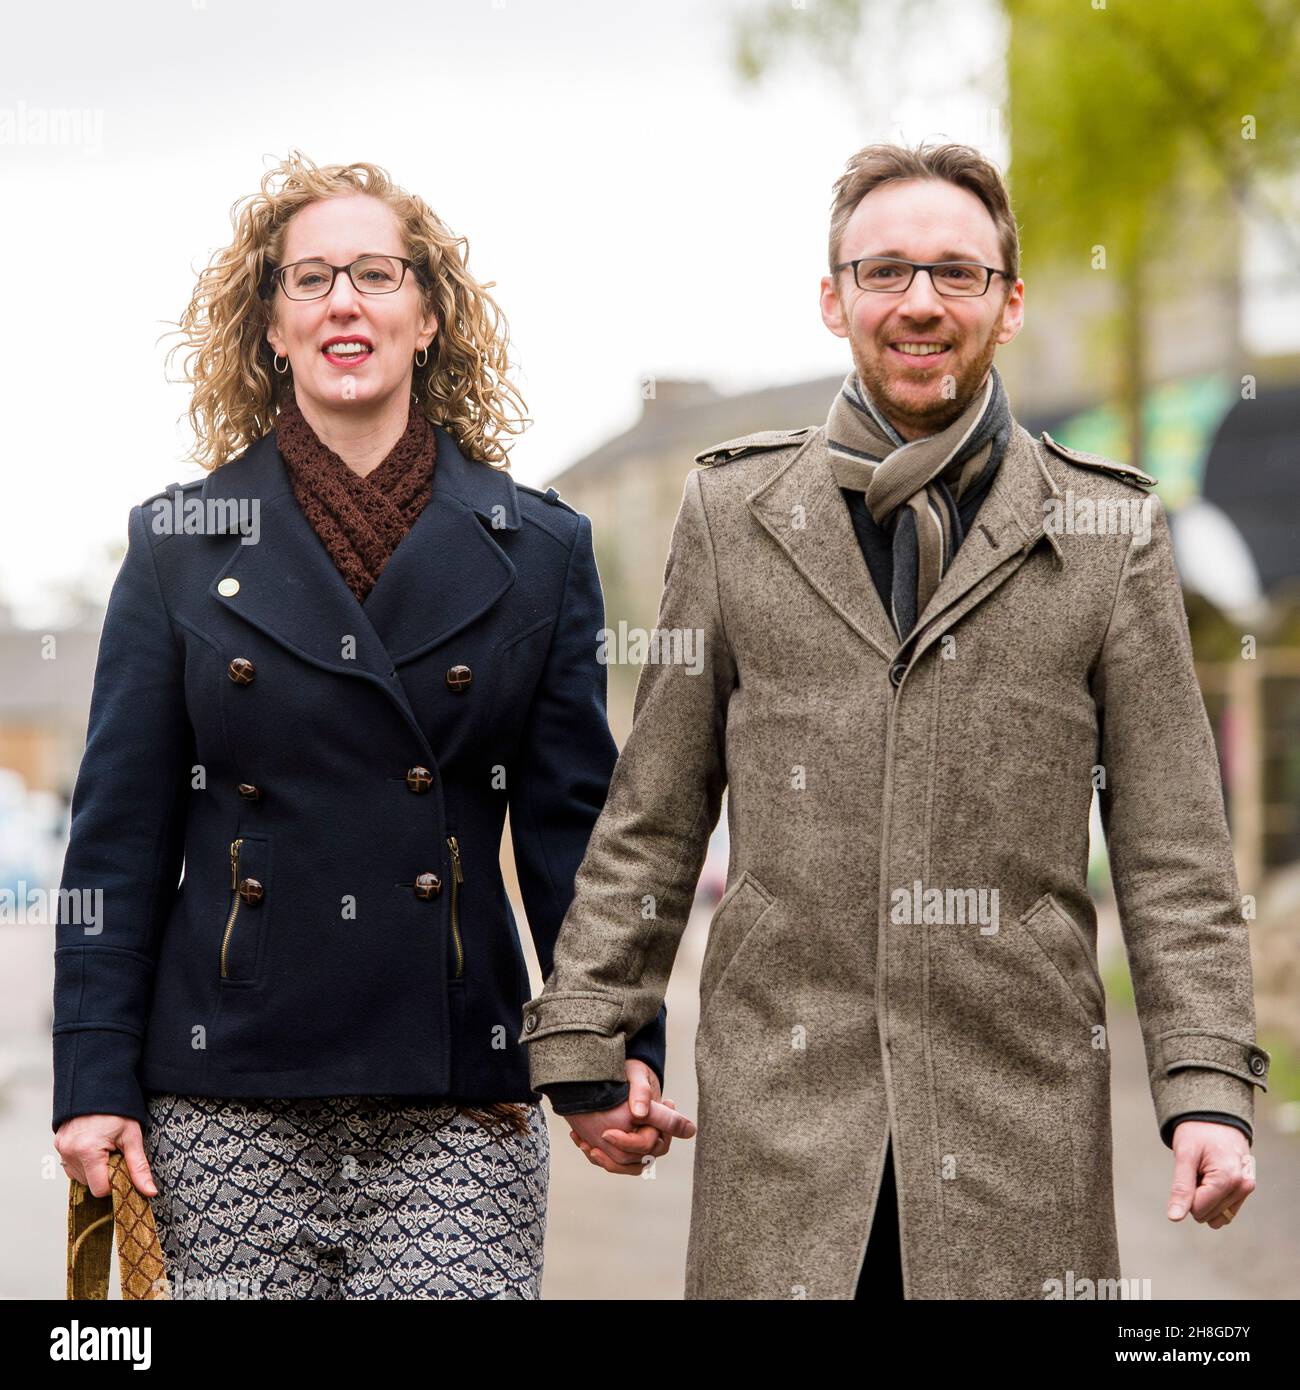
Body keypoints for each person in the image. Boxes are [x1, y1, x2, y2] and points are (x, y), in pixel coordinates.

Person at [519, 141, 1268, 1299]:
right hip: (782, 1131)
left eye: (957, 274)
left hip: (1018, 1135)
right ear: (834, 298)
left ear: (1007, 305)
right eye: (885, 271)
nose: (919, 301)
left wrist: (1207, 1086)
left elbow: (1172, 846)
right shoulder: (730, 513)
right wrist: (591, 1037)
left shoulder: (1107, 532)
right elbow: (654, 815)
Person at [51, 150, 690, 1300]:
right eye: (310, 279)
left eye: (378, 273)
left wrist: (610, 1052)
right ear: (272, 329)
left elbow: (573, 841)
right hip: (221, 1089)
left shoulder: (535, 547)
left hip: (455, 1095)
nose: (345, 298)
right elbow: (115, 842)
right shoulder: (180, 544)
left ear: (430, 315)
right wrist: (92, 1076)